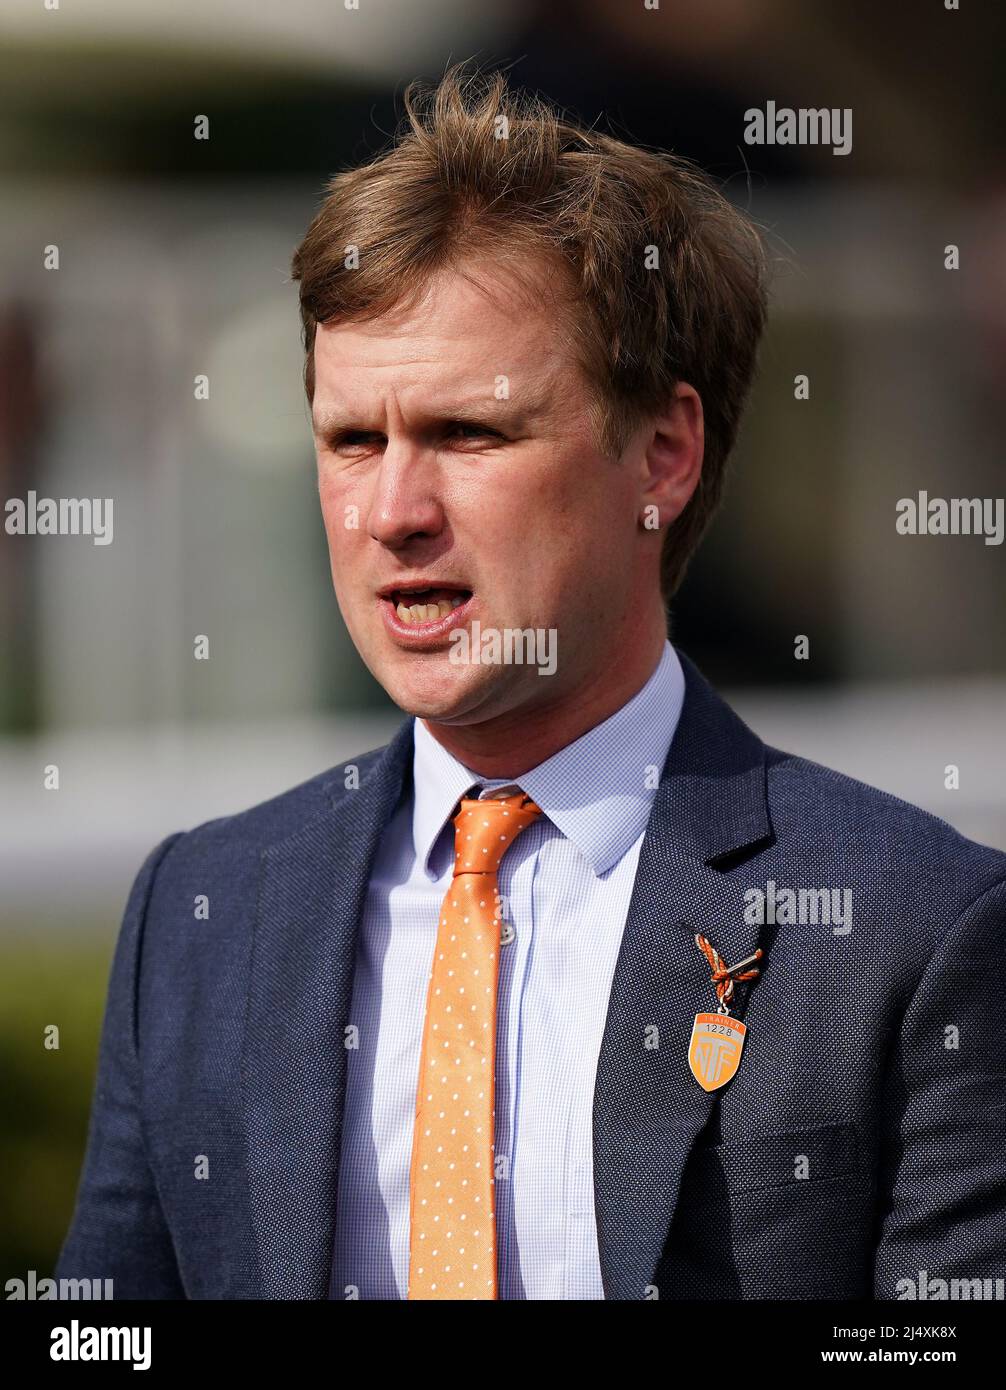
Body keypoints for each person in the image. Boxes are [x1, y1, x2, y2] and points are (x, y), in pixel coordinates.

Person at [57, 65, 1006, 1301]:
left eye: (470, 435)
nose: (391, 512)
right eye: (352, 440)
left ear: (662, 452)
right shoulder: (201, 912)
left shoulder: (919, 926)